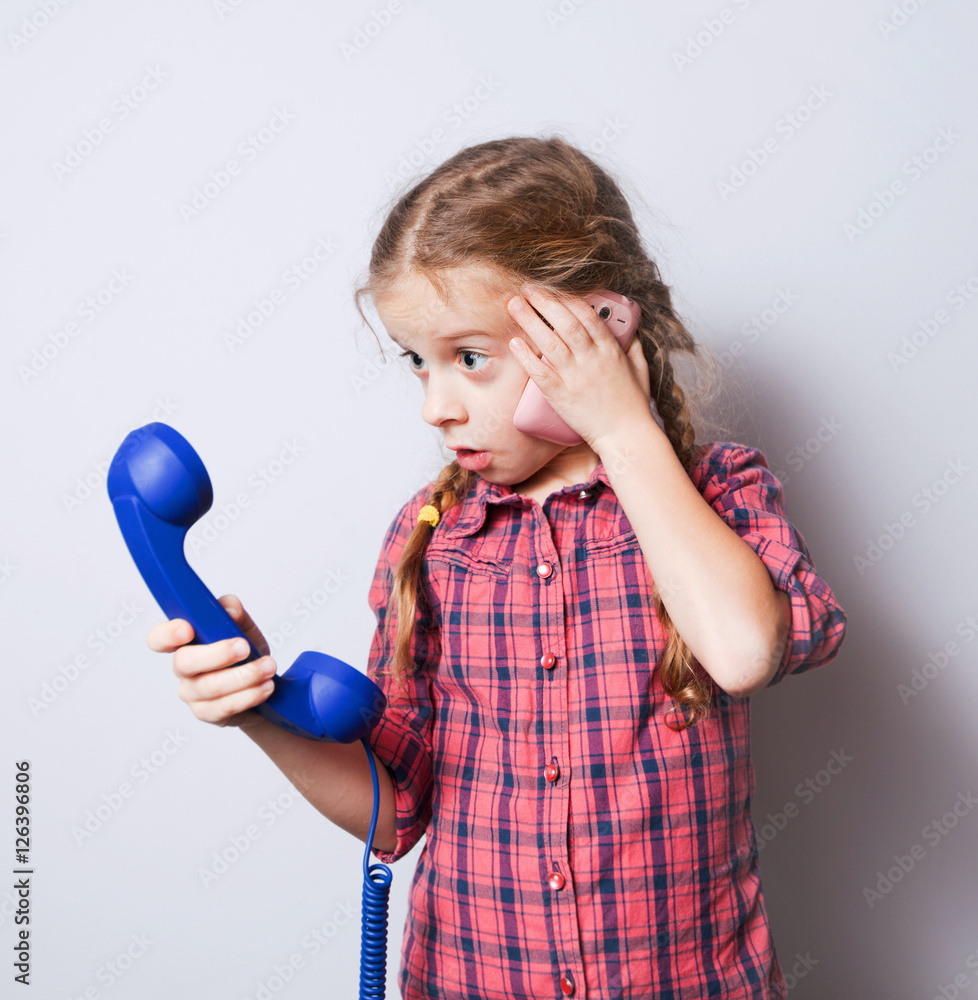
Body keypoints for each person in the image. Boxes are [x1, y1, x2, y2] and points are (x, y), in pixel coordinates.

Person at [148, 135, 847, 999]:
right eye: (418, 363)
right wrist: (260, 710)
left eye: (469, 359)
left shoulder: (719, 492)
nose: (436, 407)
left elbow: (743, 651)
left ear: (597, 327)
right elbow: (393, 811)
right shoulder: (431, 536)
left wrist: (622, 429)